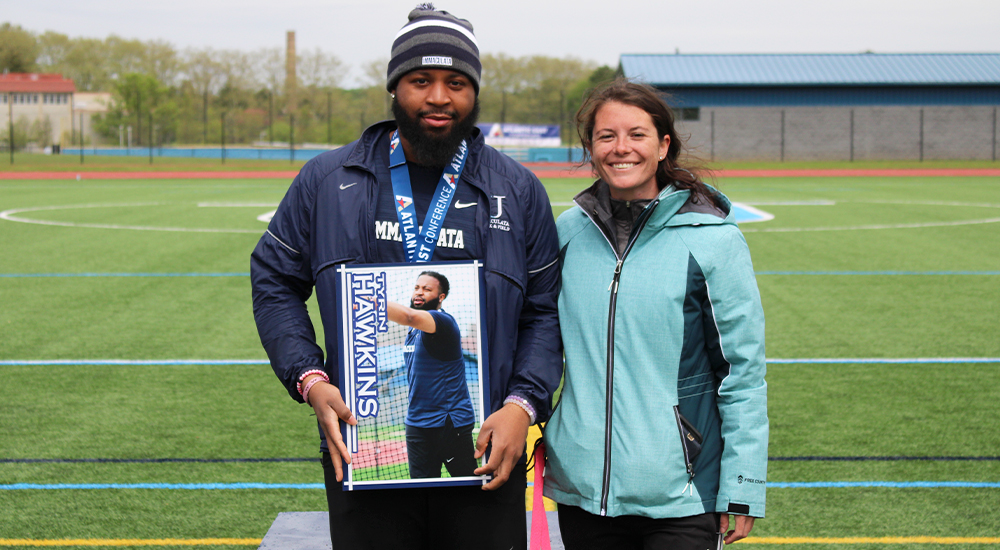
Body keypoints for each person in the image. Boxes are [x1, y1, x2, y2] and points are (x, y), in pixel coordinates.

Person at [250, 4, 562, 549]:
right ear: (394, 87)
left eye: (457, 82)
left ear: (476, 93)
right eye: (421, 80)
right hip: (363, 450)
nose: (439, 97)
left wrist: (523, 405)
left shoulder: (518, 189)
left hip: (490, 447)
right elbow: (275, 282)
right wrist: (310, 378)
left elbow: (544, 311)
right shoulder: (327, 180)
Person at [542, 78, 768, 550]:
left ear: (664, 144)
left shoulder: (712, 239)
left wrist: (742, 487)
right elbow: (540, 338)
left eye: (637, 134)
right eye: (606, 136)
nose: (621, 148)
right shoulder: (568, 231)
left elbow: (741, 373)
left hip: (680, 496)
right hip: (583, 492)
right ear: (590, 148)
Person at [385, 271, 477, 479]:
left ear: (441, 297)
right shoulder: (412, 331)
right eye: (417, 287)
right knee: (421, 494)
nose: (419, 292)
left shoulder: (443, 321)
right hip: (417, 424)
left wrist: (368, 300)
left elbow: (409, 315)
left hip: (448, 423)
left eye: (427, 289)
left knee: (469, 493)